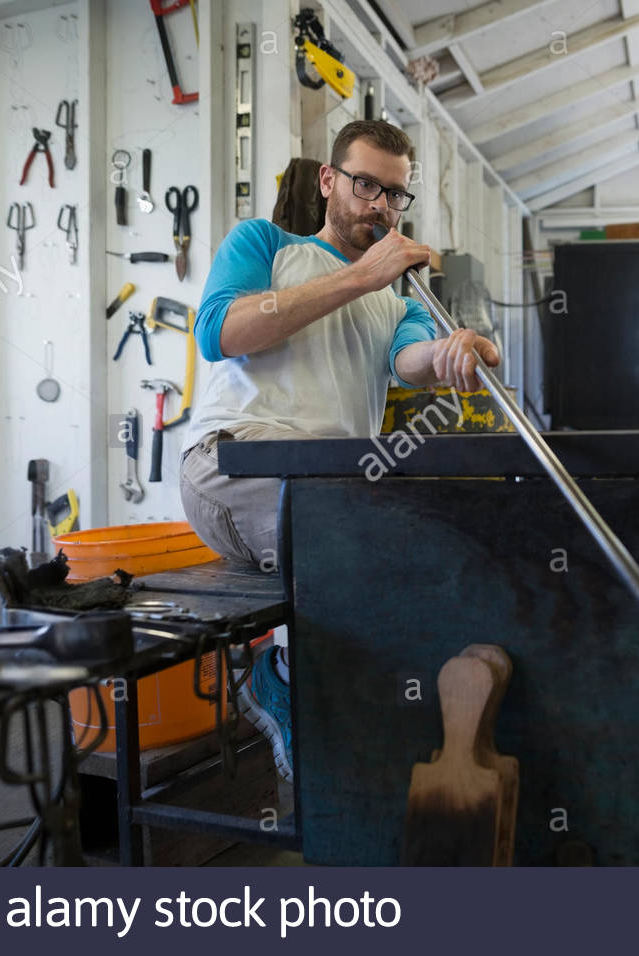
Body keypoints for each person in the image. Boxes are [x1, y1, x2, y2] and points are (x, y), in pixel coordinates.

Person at [179, 120, 500, 780]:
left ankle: (383, 736)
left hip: (332, 483)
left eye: (395, 194)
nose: (379, 206)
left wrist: (452, 352)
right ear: (330, 181)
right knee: (358, 536)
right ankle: (282, 681)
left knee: (437, 538)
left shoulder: (400, 297)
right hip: (234, 465)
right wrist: (358, 277)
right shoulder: (263, 244)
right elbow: (221, 332)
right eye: (364, 186)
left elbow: (410, 360)